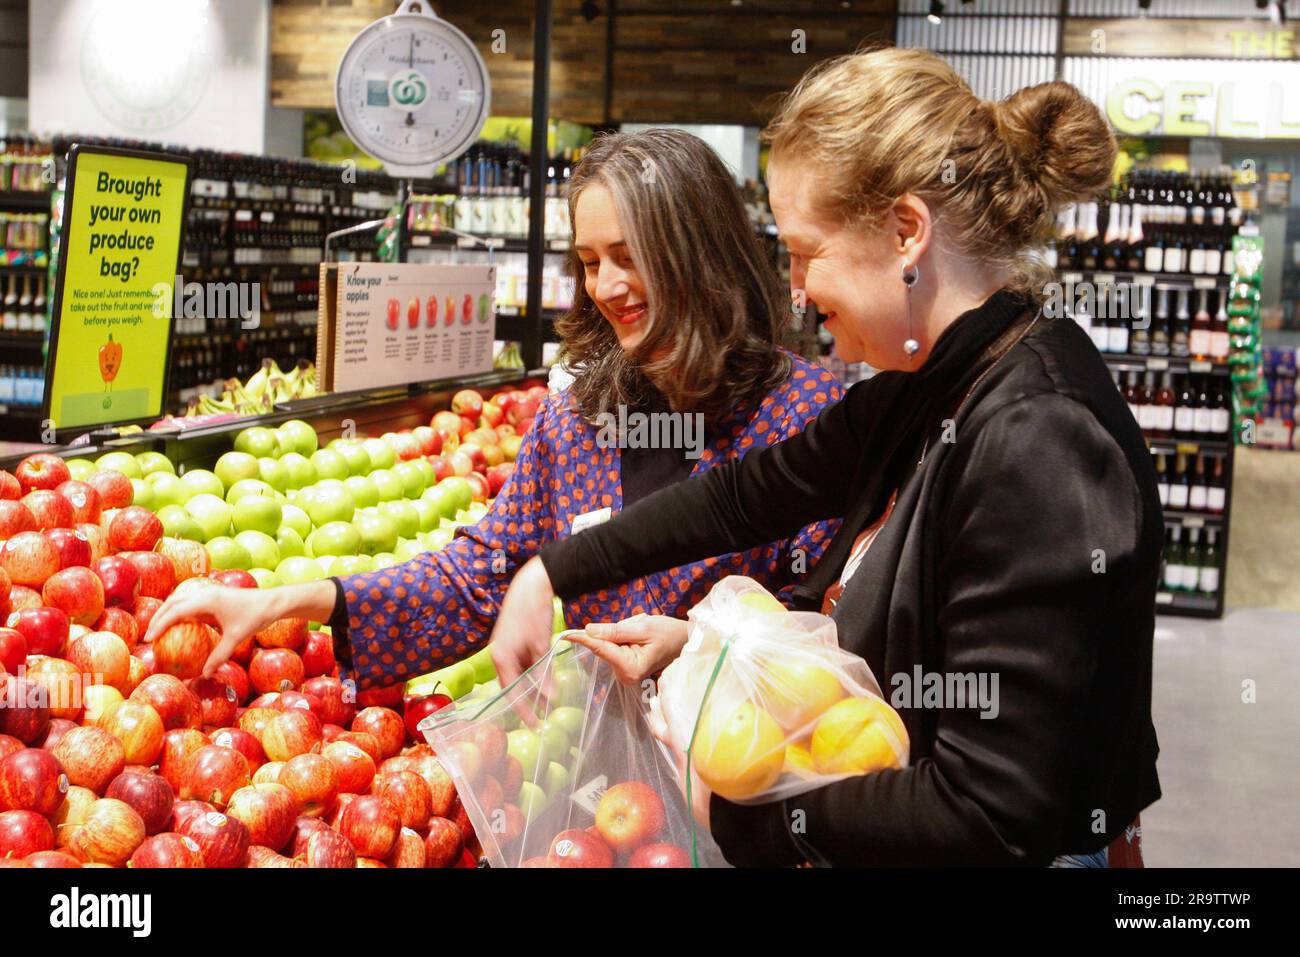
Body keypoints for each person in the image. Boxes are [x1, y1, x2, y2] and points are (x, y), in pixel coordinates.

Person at [489, 48, 1162, 867]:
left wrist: (742, 816)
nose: (797, 290)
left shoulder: (1037, 438)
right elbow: (743, 497)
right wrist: (554, 573)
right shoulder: (933, 384)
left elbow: (989, 813)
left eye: (807, 252)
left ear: (907, 232)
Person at [144, 128, 844, 695]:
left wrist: (697, 645)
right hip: (600, 789)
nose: (607, 286)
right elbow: (475, 576)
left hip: (740, 791)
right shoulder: (575, 425)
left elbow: (829, 626)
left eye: (629, 257)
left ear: (697, 255)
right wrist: (286, 601)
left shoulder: (805, 416)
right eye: (591, 260)